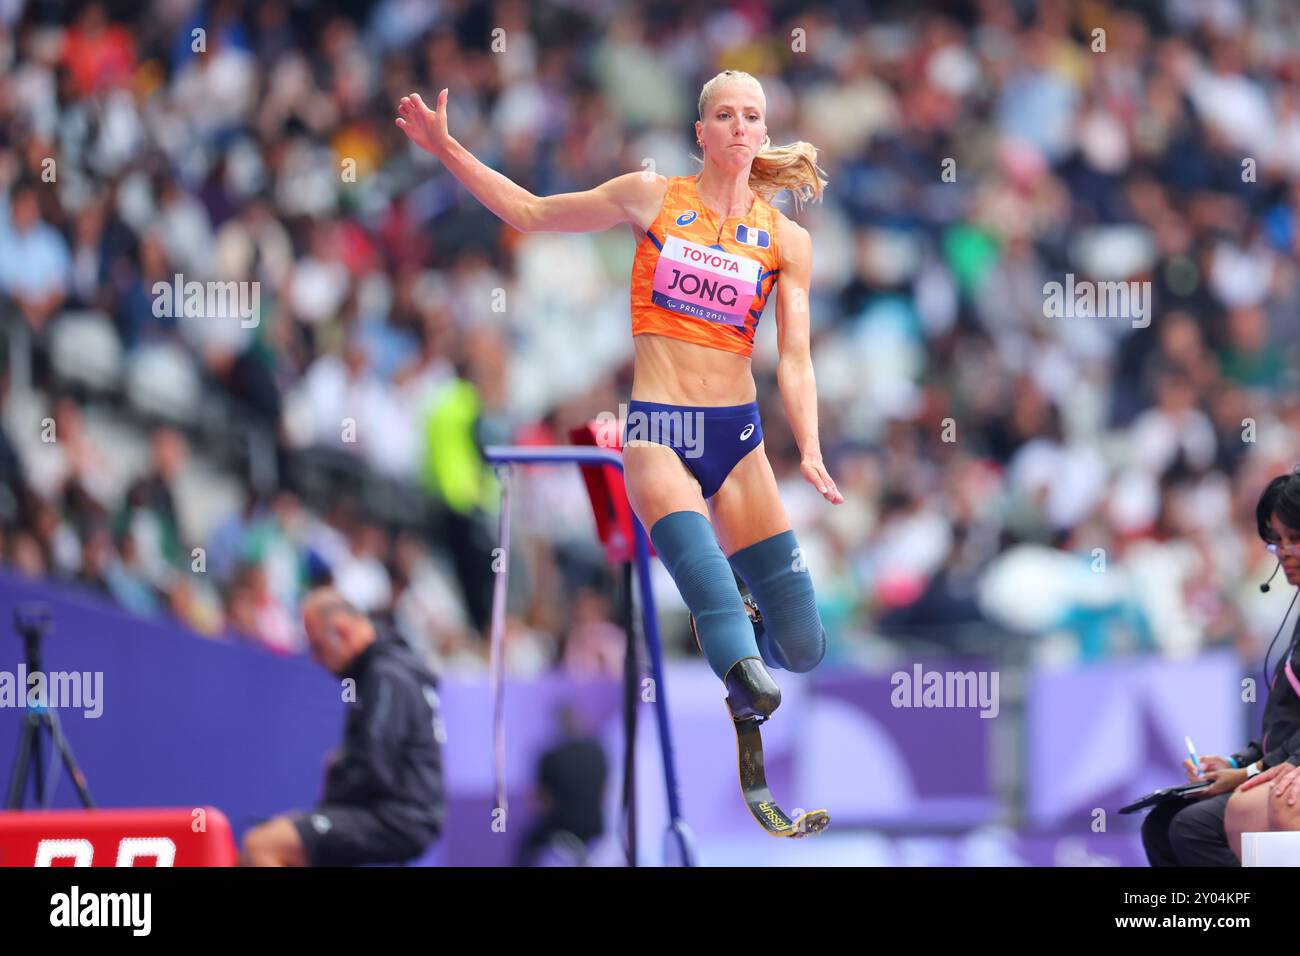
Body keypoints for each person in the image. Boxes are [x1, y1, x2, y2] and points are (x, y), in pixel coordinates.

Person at [395, 70, 839, 741]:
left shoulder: (786, 241)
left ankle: (745, 639)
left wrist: (807, 447)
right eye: (724, 115)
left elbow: (797, 359)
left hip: (739, 439)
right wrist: (449, 151)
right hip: (658, 430)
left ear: (765, 133)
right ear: (701, 131)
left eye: (752, 116)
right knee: (715, 598)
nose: (739, 127)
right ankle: (735, 663)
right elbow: (534, 214)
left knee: (804, 647)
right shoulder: (650, 197)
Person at [1141, 469, 1300, 865]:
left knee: (1192, 827)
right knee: (1162, 822)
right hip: (1280, 764)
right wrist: (1235, 763)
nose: (1284, 552)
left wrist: (1249, 774)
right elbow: (1287, 726)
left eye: (1296, 539)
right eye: (1276, 541)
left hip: (1290, 771)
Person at [241, 587, 445, 866]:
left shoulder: (386, 675)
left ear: (343, 630)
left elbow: (375, 766)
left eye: (318, 646)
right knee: (285, 843)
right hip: (399, 815)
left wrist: (321, 807)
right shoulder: (390, 669)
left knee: (261, 845)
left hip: (397, 819)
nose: (315, 659)